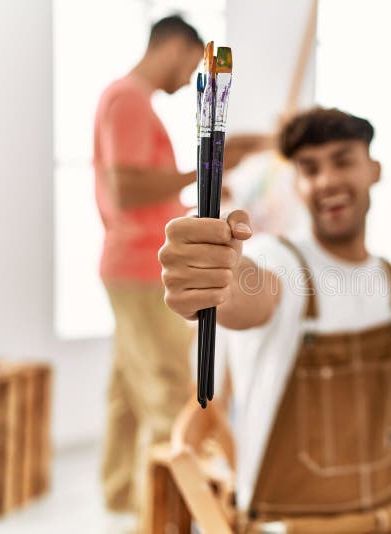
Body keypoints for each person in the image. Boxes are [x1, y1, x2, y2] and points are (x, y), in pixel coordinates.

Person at [158, 107, 391, 532]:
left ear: (374, 169)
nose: (326, 181)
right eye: (309, 168)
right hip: (289, 525)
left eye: (342, 161)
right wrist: (215, 281)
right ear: (296, 184)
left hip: (390, 516)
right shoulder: (277, 260)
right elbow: (247, 292)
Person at [93, 15, 264, 513]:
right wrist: (202, 172)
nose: (192, 77)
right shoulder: (128, 99)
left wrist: (199, 192)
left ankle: (120, 498)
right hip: (141, 268)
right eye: (192, 65)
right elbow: (126, 190)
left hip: (128, 262)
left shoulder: (128, 100)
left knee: (129, 391)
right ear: (173, 47)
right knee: (168, 397)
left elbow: (140, 193)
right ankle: (157, 515)